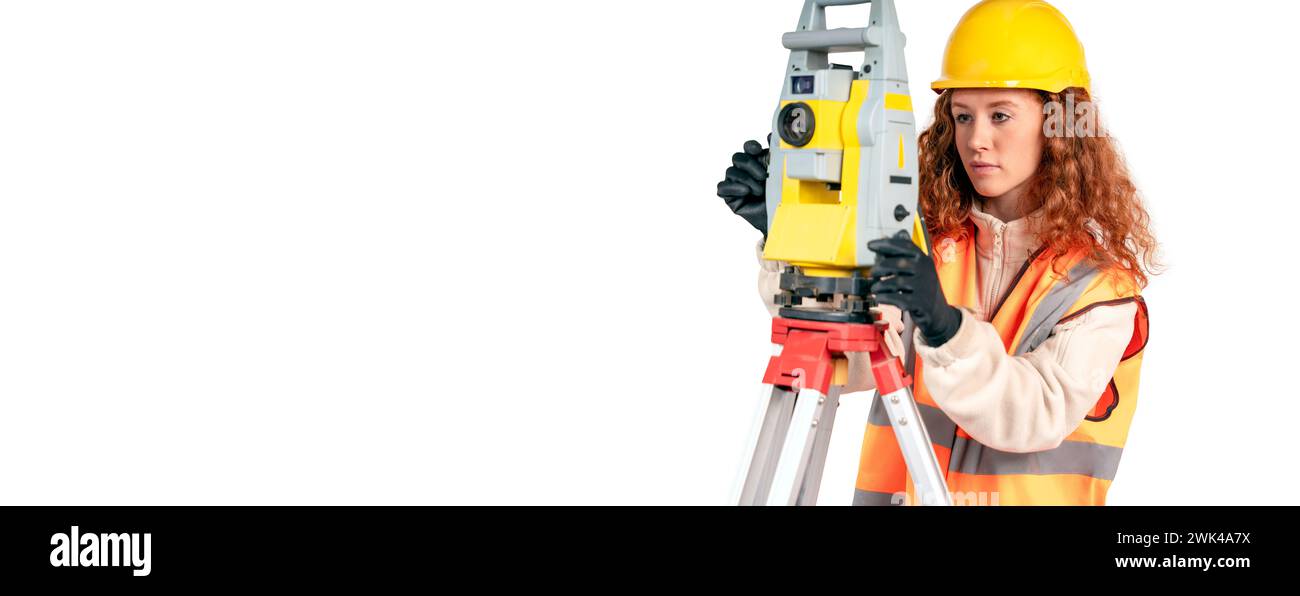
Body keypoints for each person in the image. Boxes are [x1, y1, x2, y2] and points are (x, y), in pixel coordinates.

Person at [715, 0, 1158, 506]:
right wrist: (792, 235)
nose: (977, 139)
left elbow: (1036, 413)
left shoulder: (1099, 291)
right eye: (963, 116)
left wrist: (947, 328)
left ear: (1058, 123)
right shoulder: (934, 251)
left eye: (1000, 115)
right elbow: (850, 361)